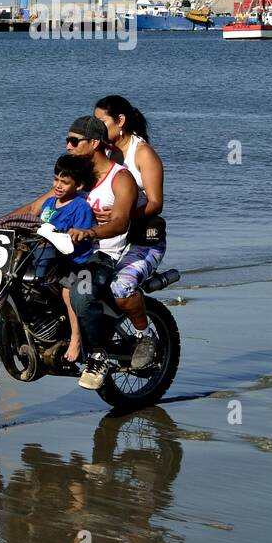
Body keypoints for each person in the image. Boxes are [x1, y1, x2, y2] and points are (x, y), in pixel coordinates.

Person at [0, 154, 96, 363]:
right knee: (13, 287)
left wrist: (72, 234)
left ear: (78, 184)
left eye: (65, 182)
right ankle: (3, 335)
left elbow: (82, 237)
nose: (58, 185)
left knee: (67, 293)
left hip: (74, 262)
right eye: (56, 179)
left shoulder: (80, 206)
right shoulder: (50, 203)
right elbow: (36, 224)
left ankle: (76, 339)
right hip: (47, 259)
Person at [63, 115, 141, 390]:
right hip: (72, 250)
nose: (68, 146)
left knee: (80, 292)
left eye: (74, 141)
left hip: (105, 254)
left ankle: (99, 354)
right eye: (67, 141)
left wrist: (91, 232)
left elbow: (121, 221)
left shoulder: (121, 178)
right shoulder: (78, 177)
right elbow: (41, 205)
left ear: (94, 143)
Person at [94, 95, 165, 370]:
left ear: (120, 121)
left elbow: (156, 203)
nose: (97, 128)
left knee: (120, 287)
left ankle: (145, 337)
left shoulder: (143, 153)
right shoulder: (105, 152)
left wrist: (121, 216)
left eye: (102, 122)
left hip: (141, 240)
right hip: (107, 236)